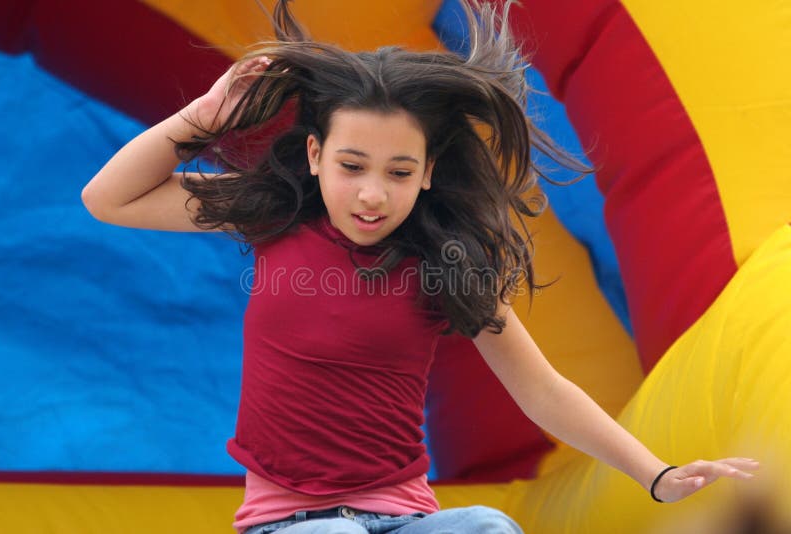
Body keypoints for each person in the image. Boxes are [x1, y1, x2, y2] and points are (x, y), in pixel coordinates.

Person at [81, 1, 759, 532]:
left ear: (428, 172)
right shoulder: (275, 214)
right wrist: (204, 117)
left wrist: (656, 475)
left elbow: (543, 391)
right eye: (352, 166)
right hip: (292, 520)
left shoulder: (446, 265)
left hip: (406, 517)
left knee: (490, 525)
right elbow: (107, 199)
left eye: (398, 172)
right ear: (315, 156)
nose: (372, 194)